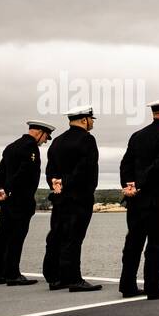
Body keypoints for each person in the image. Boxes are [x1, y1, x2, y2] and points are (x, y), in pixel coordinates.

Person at [118, 96, 159, 300]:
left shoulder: (137, 136)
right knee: (156, 243)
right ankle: (154, 286)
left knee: (133, 242)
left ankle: (127, 285)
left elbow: (125, 164)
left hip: (135, 200)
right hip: (157, 200)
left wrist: (129, 185)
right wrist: (140, 184)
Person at [42, 106, 102, 292]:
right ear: (84, 120)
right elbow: (85, 169)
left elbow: (50, 169)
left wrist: (56, 184)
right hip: (79, 196)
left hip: (59, 197)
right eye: (91, 119)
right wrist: (67, 182)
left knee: (57, 235)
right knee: (74, 238)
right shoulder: (87, 140)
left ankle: (55, 277)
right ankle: (73, 278)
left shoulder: (57, 141)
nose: (92, 122)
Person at [0, 120, 54, 286]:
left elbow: (0, 172)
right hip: (21, 199)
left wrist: (1, 190)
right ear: (39, 132)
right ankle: (12, 273)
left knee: (3, 234)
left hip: (8, 200)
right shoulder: (30, 148)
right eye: (46, 136)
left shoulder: (11, 146)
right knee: (16, 236)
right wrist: (9, 190)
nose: (45, 141)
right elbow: (24, 173)